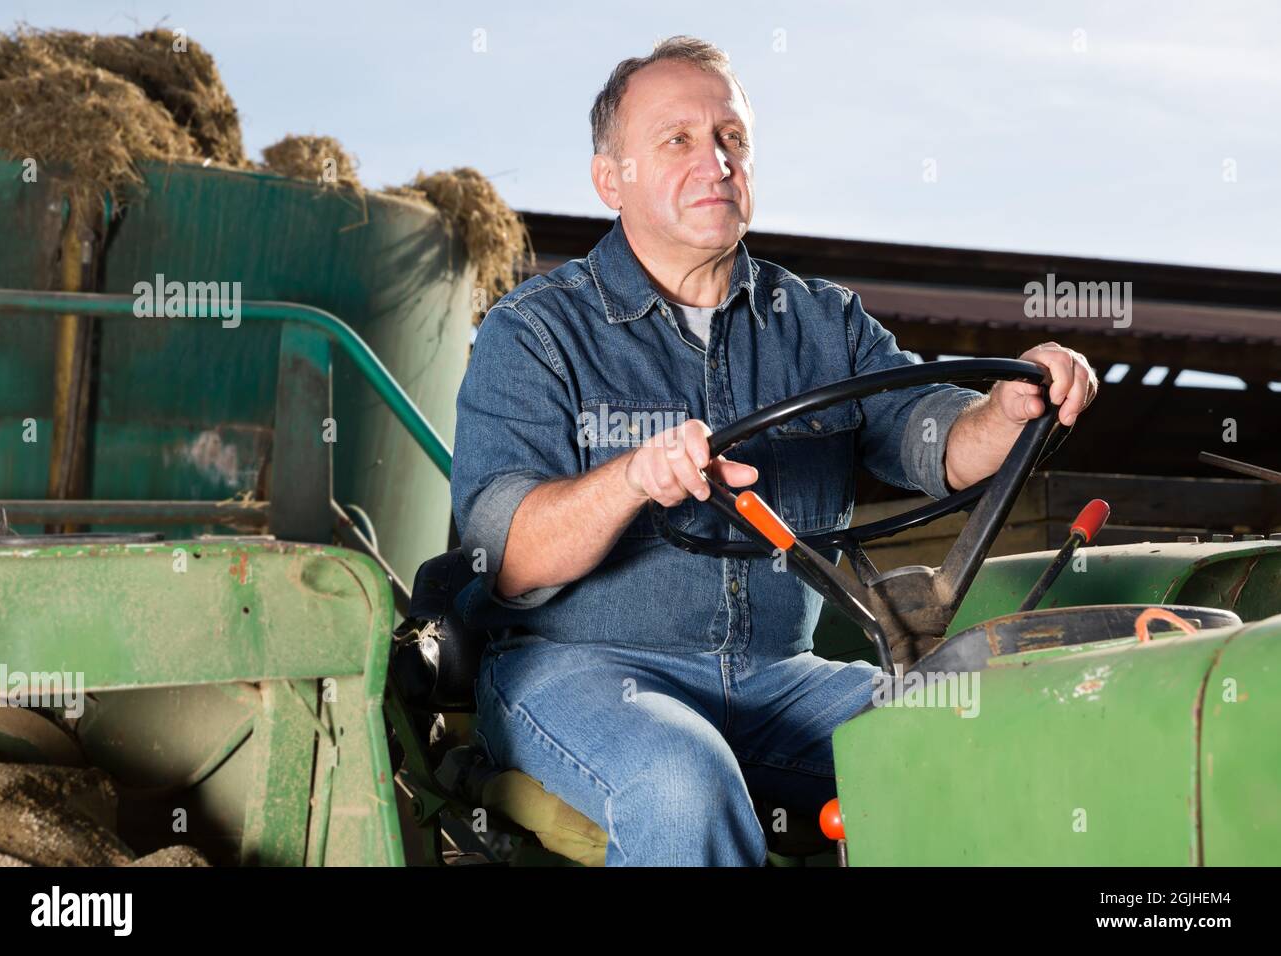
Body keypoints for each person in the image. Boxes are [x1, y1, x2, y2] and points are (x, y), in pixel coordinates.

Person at [450, 35, 1097, 865]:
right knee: (680, 782)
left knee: (974, 727)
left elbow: (933, 440)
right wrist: (634, 479)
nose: (715, 160)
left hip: (778, 673)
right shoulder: (536, 331)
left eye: (732, 138)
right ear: (612, 179)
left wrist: (1007, 412)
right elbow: (504, 554)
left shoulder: (822, 321)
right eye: (677, 139)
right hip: (579, 670)